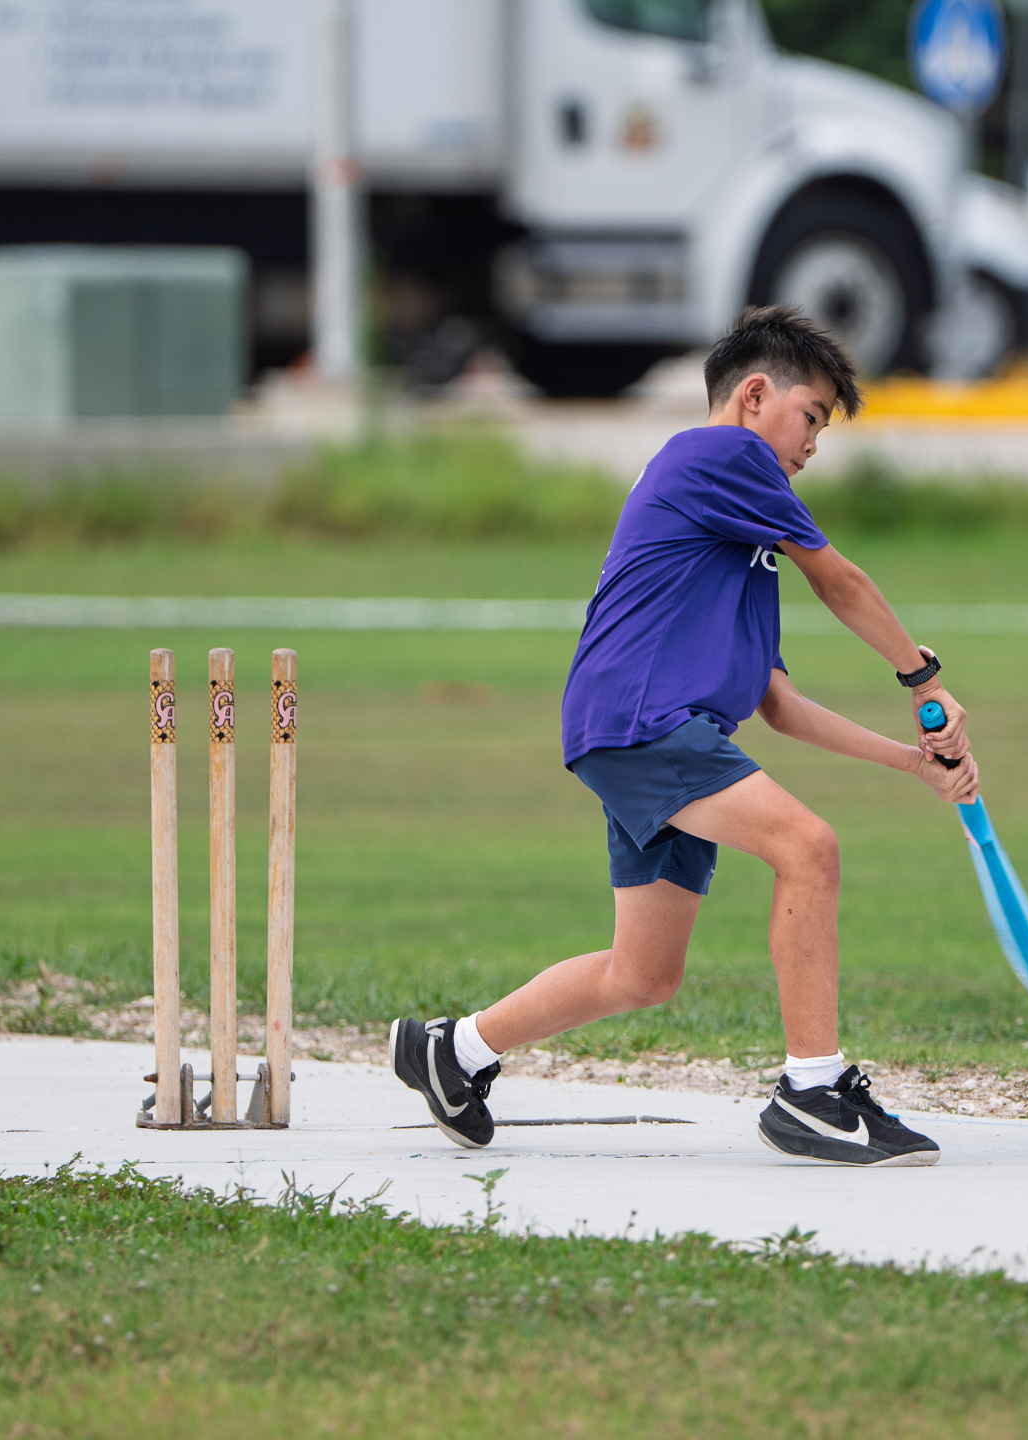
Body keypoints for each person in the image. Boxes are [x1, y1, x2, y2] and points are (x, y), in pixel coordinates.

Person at [391, 305, 978, 1167]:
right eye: (810, 416)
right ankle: (813, 1092)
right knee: (810, 849)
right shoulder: (724, 456)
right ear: (752, 396)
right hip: (644, 722)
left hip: (632, 729)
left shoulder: (738, 538)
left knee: (644, 974)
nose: (813, 444)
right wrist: (923, 679)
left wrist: (911, 763)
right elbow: (842, 580)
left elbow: (778, 703)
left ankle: (454, 1052)